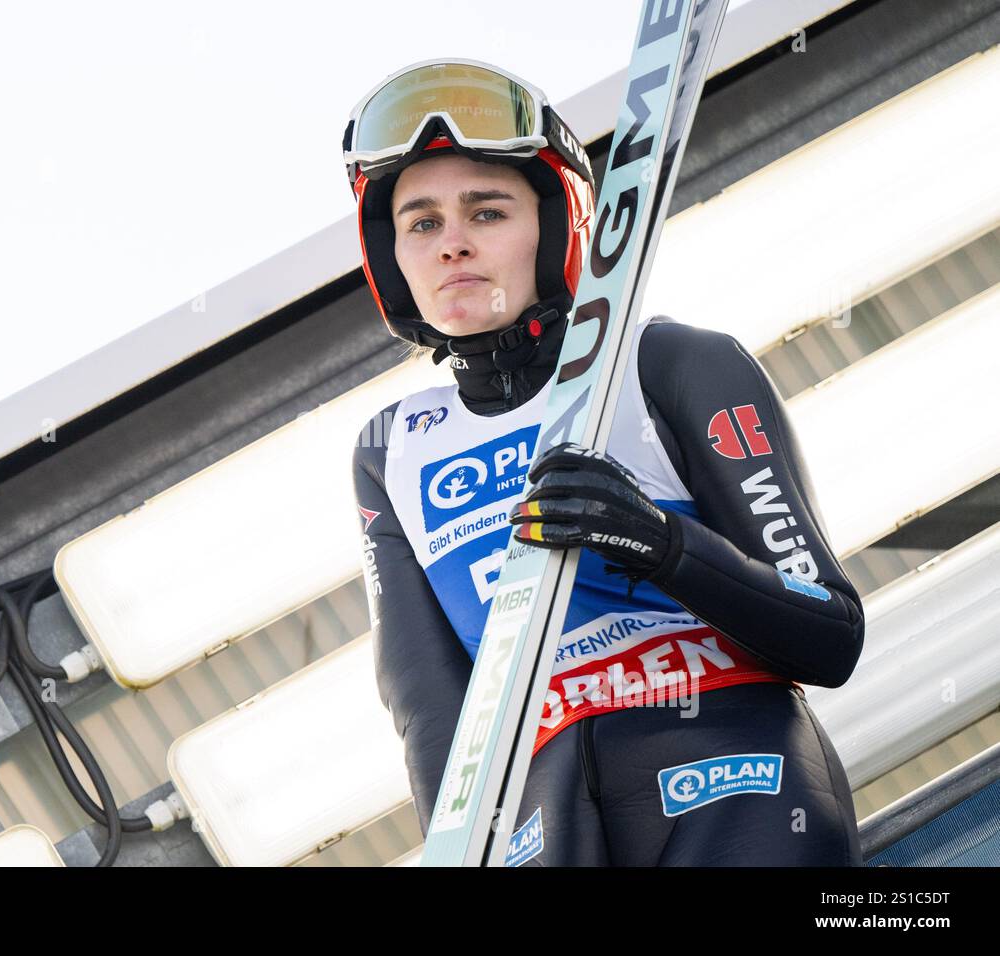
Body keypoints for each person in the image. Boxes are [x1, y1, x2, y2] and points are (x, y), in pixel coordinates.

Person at [345, 59, 865, 866]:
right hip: (546, 830)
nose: (452, 244)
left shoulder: (670, 364)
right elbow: (432, 716)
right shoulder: (393, 449)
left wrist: (661, 544)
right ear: (392, 258)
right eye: (421, 224)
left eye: (486, 211)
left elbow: (829, 633)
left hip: (736, 788)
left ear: (558, 226)